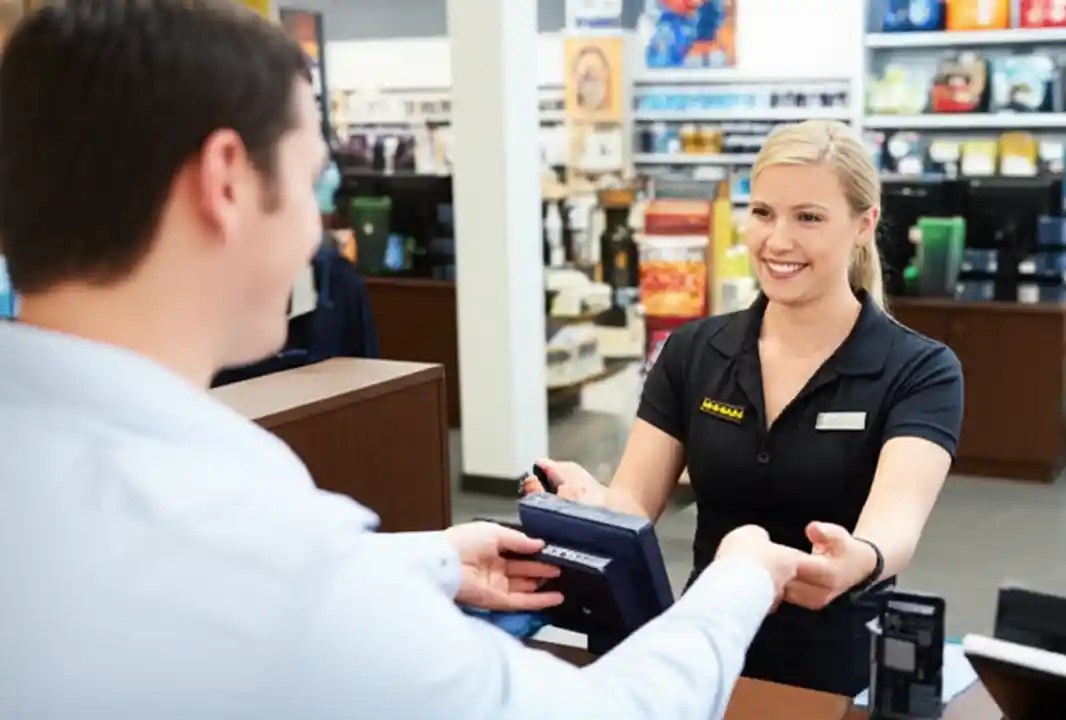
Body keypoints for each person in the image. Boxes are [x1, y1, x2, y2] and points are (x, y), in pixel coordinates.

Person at [0, 3, 808, 718]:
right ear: (226, 184)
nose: (321, 234)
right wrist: (736, 581)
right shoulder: (262, 548)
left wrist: (420, 561)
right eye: (316, 183)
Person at [525, 120, 964, 697]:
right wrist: (587, 509)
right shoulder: (694, 351)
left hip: (841, 674)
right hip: (704, 655)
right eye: (762, 213)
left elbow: (892, 528)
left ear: (864, 225)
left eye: (808, 217)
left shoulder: (919, 369)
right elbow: (633, 504)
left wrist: (855, 559)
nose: (777, 240)